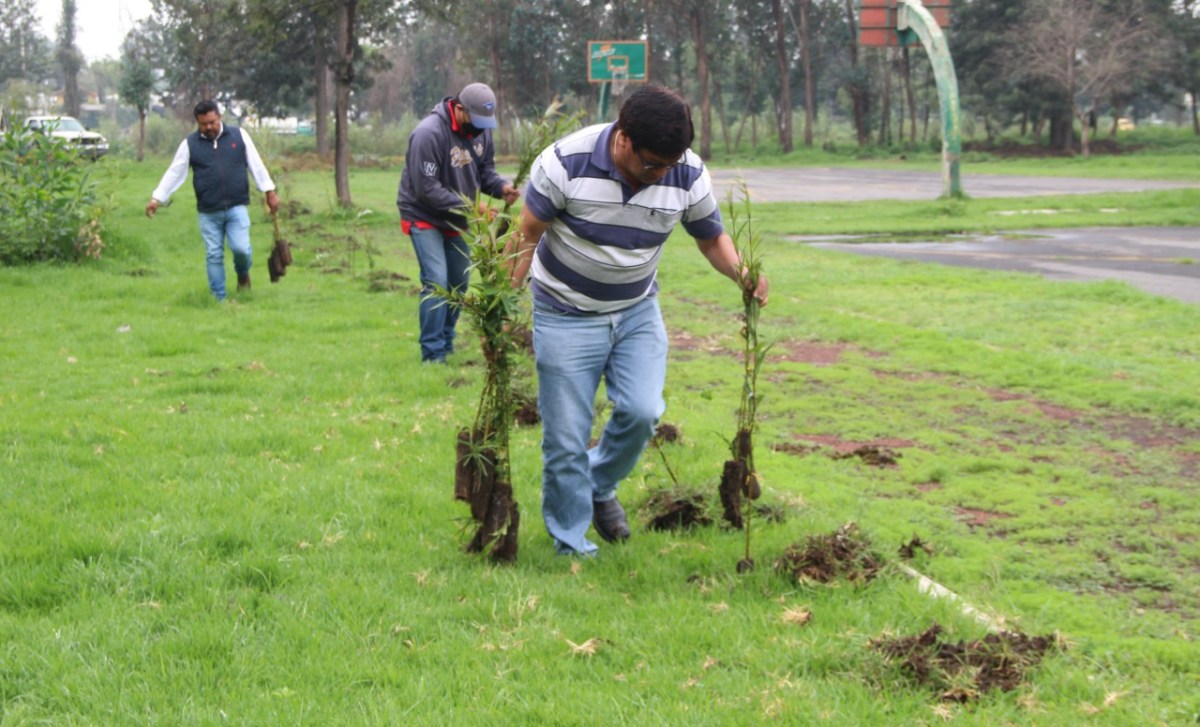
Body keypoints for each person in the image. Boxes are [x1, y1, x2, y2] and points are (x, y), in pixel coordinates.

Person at [511, 84, 770, 556]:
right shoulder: (564, 162)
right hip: (565, 313)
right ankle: (571, 543)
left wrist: (743, 274)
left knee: (642, 411)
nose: (660, 175)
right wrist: (501, 296)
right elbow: (528, 232)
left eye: (669, 166)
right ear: (623, 138)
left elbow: (710, 237)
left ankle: (597, 483)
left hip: (635, 311)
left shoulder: (684, 172)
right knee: (566, 438)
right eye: (652, 164)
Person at [397, 82, 520, 363]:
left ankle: (447, 342)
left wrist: (501, 187)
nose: (480, 129)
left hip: (460, 219)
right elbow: (425, 188)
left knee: (458, 285)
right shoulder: (428, 134)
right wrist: (472, 207)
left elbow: (484, 171)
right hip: (423, 215)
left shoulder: (482, 132)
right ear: (460, 109)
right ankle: (433, 355)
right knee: (436, 282)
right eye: (476, 121)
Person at [146, 100, 280, 301]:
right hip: (208, 211)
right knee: (214, 255)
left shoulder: (239, 136)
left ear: (220, 117)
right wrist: (157, 198)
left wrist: (269, 191)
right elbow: (175, 173)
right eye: (203, 124)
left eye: (212, 122)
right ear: (197, 123)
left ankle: (243, 274)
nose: (208, 127)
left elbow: (256, 165)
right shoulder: (190, 144)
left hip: (236, 206)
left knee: (241, 249)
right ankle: (219, 299)